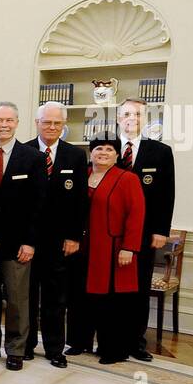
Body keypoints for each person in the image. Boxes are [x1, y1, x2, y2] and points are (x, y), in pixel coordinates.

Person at [0, 102, 45, 371]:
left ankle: (15, 349)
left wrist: (30, 242)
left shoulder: (32, 158)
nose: (3, 125)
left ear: (17, 122)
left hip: (18, 243)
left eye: (8, 120)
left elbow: (38, 205)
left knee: (16, 298)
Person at [23, 101, 88, 368]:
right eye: (46, 122)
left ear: (63, 126)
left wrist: (75, 236)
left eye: (57, 123)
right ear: (37, 123)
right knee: (26, 295)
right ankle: (25, 346)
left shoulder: (75, 156)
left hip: (60, 241)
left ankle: (54, 349)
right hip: (27, 240)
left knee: (55, 298)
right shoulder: (23, 151)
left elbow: (81, 200)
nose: (51, 127)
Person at [116, 98, 176, 361]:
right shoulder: (104, 149)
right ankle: (106, 337)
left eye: (138, 115)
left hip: (144, 233)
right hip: (109, 233)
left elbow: (167, 195)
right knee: (108, 287)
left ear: (145, 120)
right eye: (127, 114)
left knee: (137, 289)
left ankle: (135, 341)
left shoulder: (161, 152)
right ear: (118, 118)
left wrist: (161, 230)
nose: (132, 119)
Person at [85, 140, 145, 364]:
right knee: (89, 299)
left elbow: (136, 214)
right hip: (86, 248)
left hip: (114, 248)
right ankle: (83, 343)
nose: (103, 153)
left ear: (117, 154)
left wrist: (129, 247)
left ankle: (113, 349)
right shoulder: (84, 175)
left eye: (109, 149)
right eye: (98, 148)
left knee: (113, 303)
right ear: (91, 153)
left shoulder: (127, 178)